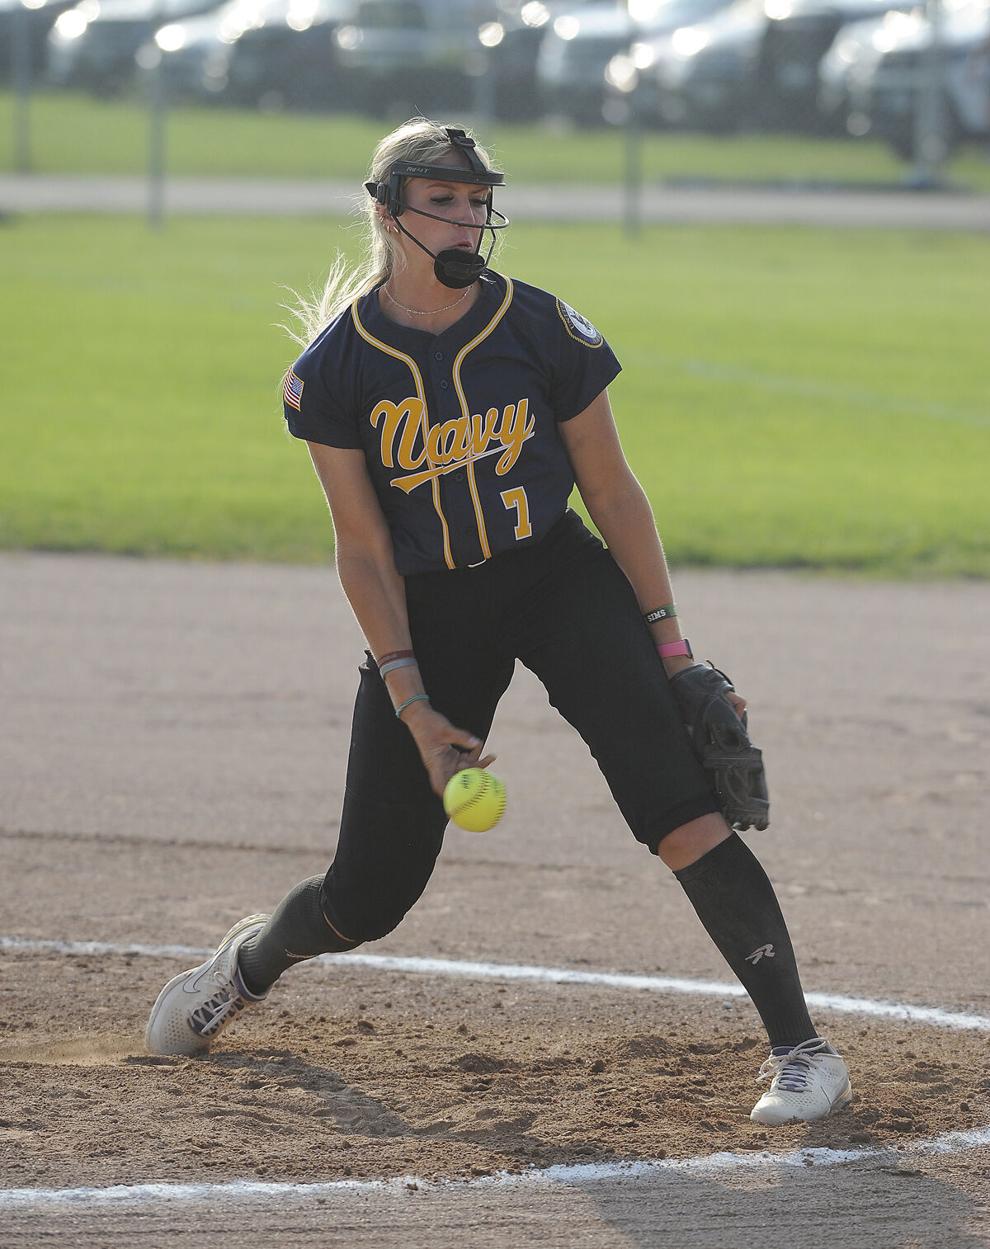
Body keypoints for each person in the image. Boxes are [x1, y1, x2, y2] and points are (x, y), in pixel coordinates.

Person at [146, 118, 851, 1126]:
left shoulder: (540, 328)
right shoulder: (337, 369)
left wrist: (672, 651)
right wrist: (413, 698)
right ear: (391, 214)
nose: (469, 215)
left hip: (557, 576)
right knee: (372, 891)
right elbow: (363, 549)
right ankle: (252, 963)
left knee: (680, 806)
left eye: (479, 199)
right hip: (431, 610)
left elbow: (613, 494)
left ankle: (805, 1049)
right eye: (445, 198)